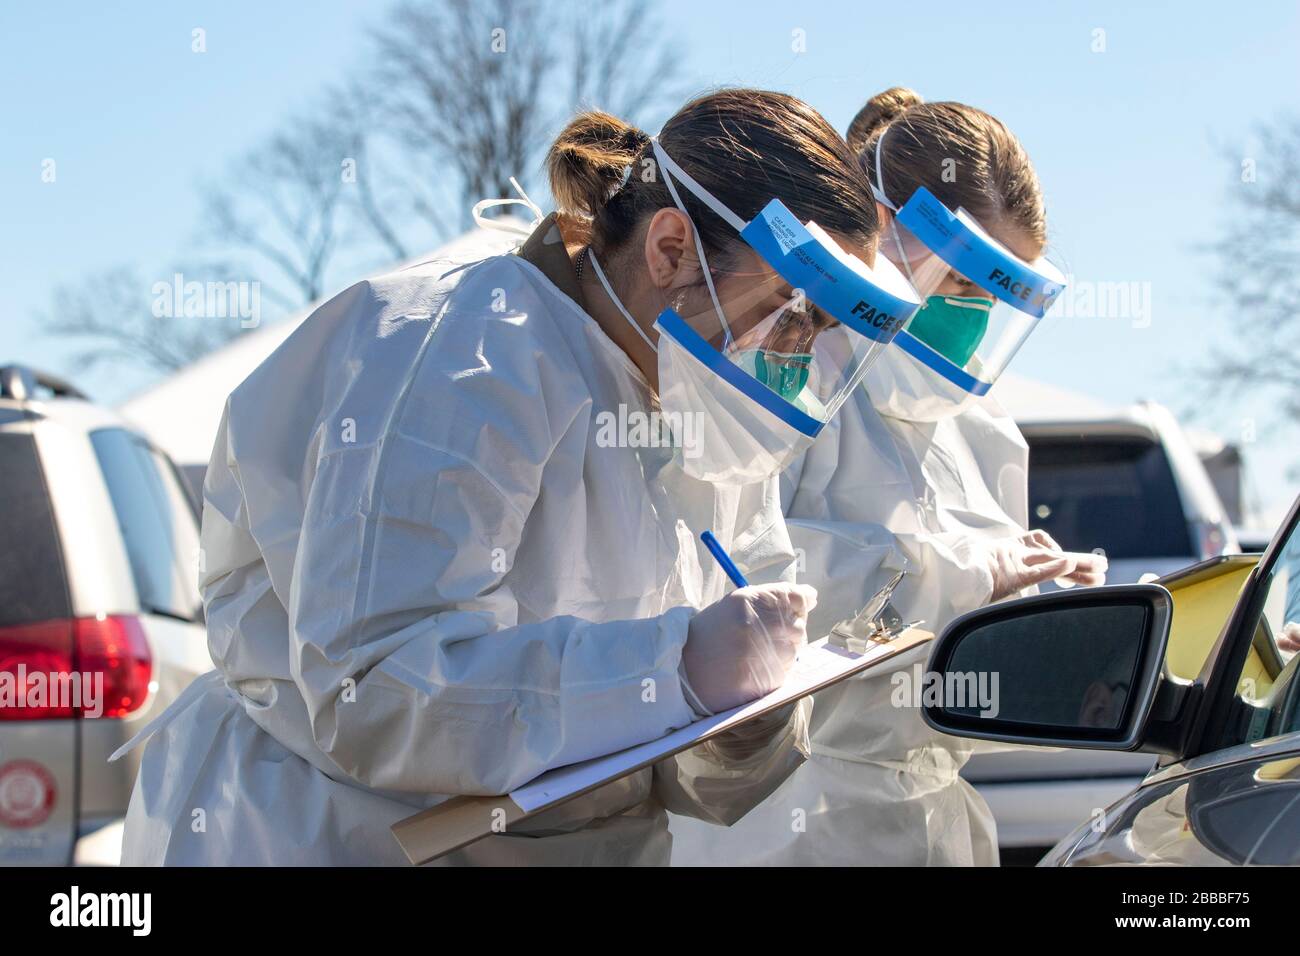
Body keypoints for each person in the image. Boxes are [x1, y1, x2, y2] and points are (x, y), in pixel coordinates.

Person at [114, 89, 913, 865]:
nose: (795, 352)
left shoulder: (700, 403)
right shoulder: (464, 350)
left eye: (820, 328)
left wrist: (747, 723)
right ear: (670, 248)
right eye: (788, 307)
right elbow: (378, 694)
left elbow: (679, 754)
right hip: (332, 837)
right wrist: (673, 669)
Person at [670, 88, 1108, 866]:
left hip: (931, 814)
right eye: (961, 281)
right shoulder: (786, 370)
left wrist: (1048, 615)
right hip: (786, 816)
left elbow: (964, 681)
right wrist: (965, 576)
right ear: (885, 232)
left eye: (993, 294)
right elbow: (727, 574)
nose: (971, 314)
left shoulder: (982, 426)